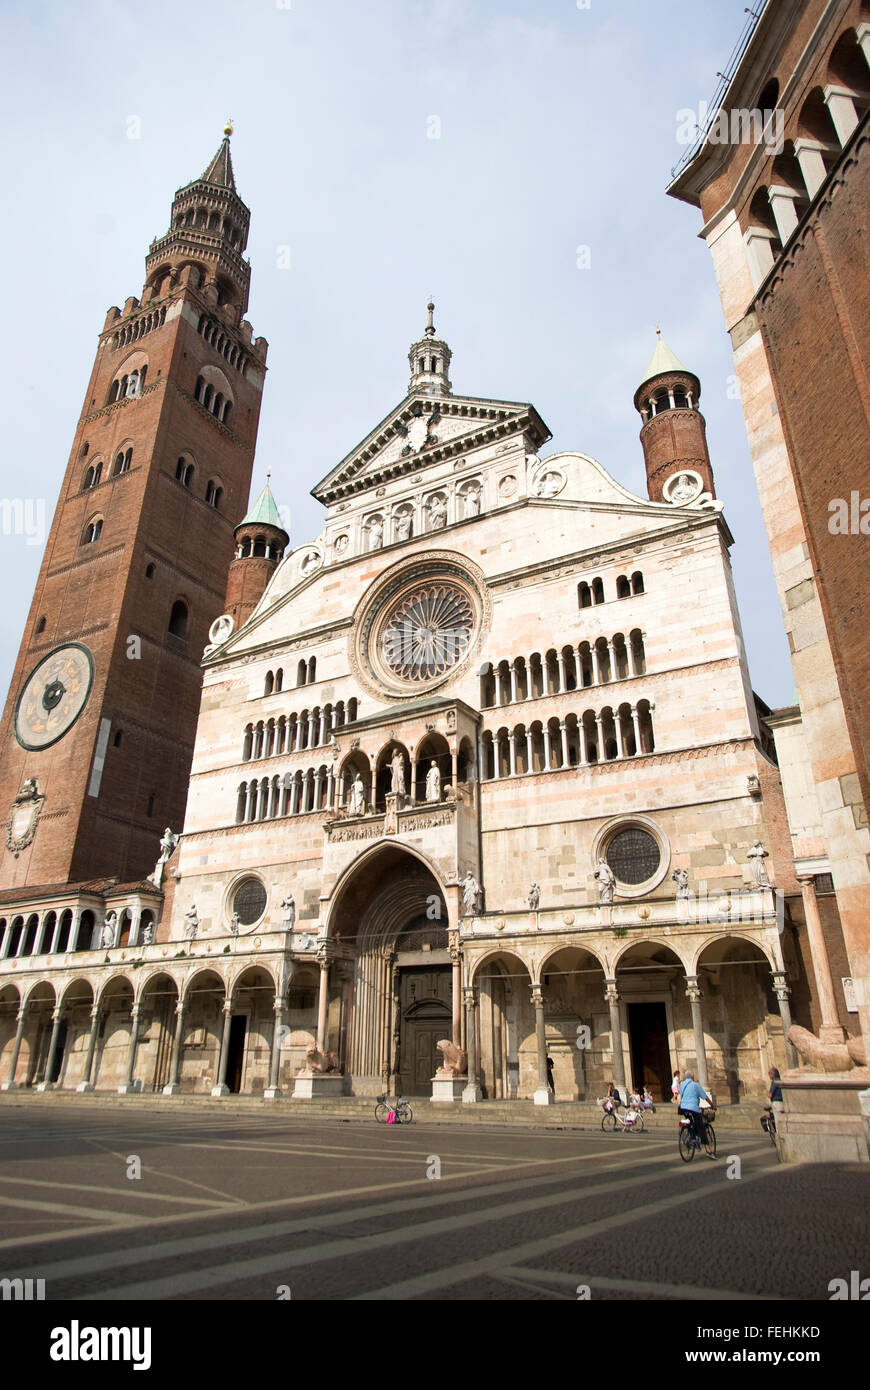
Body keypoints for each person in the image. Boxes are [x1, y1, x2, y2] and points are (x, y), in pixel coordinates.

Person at [678, 1070, 714, 1156]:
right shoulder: (695, 1085)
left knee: (691, 1121)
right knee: (701, 1128)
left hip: (682, 1108)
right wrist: (712, 1105)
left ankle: (691, 1136)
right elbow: (705, 1097)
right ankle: (708, 1150)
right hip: (693, 1108)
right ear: (692, 1077)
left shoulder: (682, 1084)